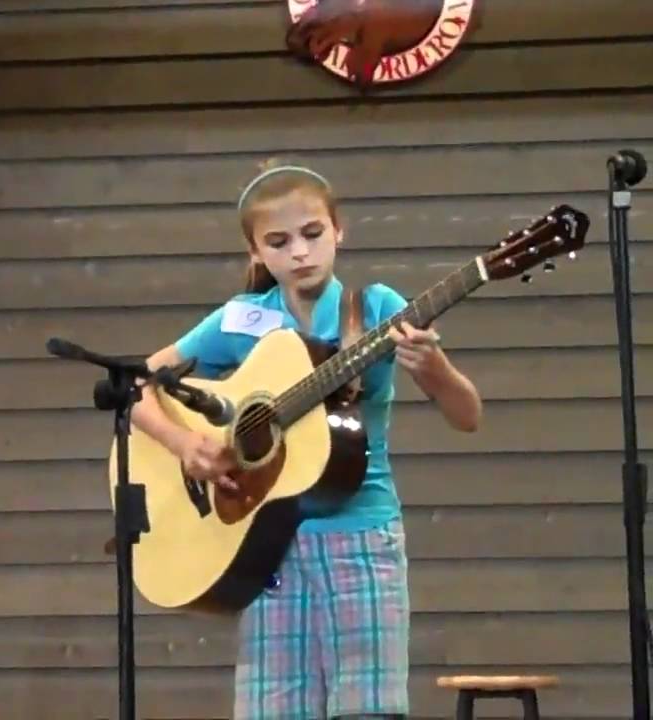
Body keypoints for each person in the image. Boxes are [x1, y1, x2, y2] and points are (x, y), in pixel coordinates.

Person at [131, 161, 483, 719]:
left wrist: (433, 365)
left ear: (339, 230)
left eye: (313, 234)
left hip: (361, 537)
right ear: (256, 252)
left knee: (367, 709)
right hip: (266, 543)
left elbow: (467, 415)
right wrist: (183, 444)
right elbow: (136, 385)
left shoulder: (375, 309)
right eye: (279, 241)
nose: (300, 252)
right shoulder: (243, 318)